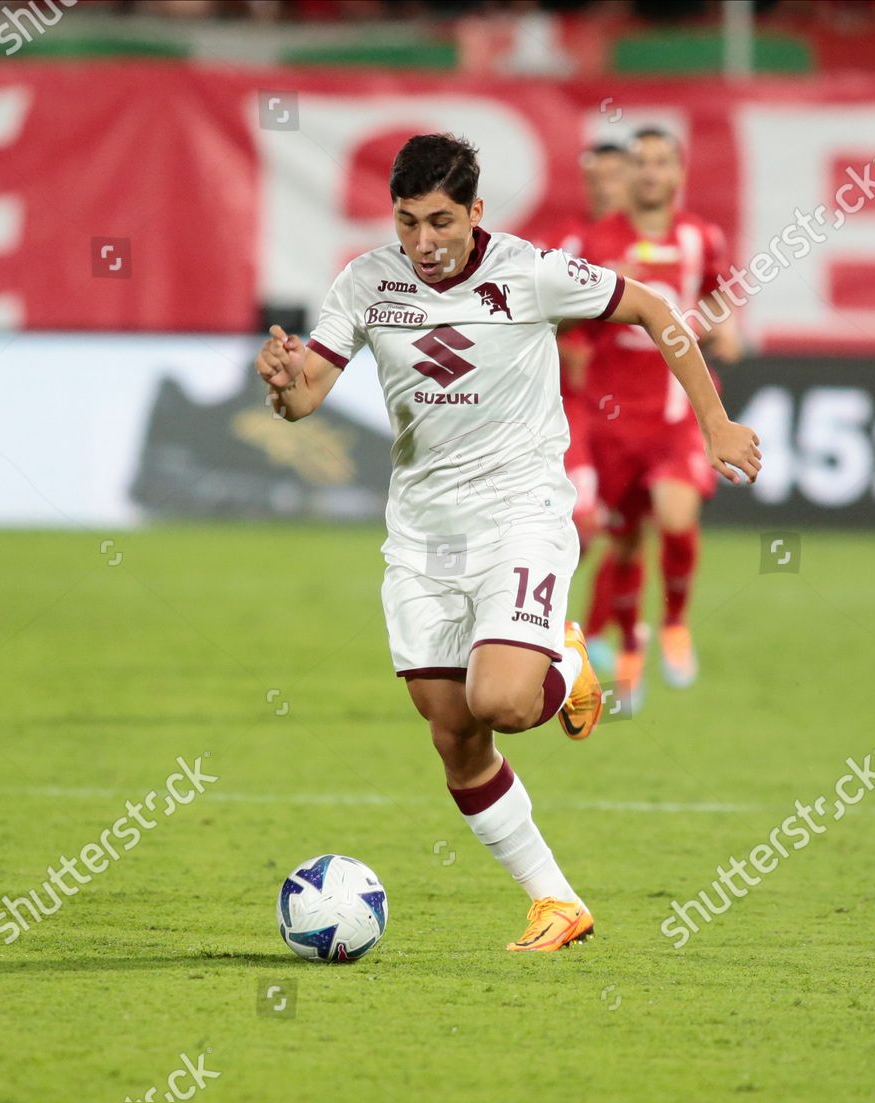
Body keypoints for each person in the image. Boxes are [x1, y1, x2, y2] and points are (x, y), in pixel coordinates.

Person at [253, 133, 761, 952]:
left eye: (442, 221)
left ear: (476, 212)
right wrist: (282, 387)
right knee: (453, 731)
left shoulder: (529, 271)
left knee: (503, 702)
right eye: (408, 221)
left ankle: (562, 660)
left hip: (520, 516)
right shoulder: (365, 281)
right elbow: (306, 394)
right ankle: (556, 901)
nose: (424, 241)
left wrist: (715, 421)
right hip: (421, 536)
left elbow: (653, 308)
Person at [573, 127, 740, 708]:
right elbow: (574, 327)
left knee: (676, 517)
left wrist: (724, 327)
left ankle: (674, 621)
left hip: (676, 413)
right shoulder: (596, 242)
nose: (649, 172)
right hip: (613, 420)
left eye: (661, 161)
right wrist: (600, 301)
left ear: (678, 173)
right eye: (640, 162)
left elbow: (717, 296)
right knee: (623, 545)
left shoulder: (700, 237)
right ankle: (628, 650)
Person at [557, 144, 631, 557]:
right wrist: (562, 346)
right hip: (577, 404)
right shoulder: (568, 244)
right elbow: (534, 312)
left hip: (635, 405)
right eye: (594, 179)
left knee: (630, 526)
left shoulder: (658, 243)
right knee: (579, 525)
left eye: (614, 178)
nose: (603, 189)